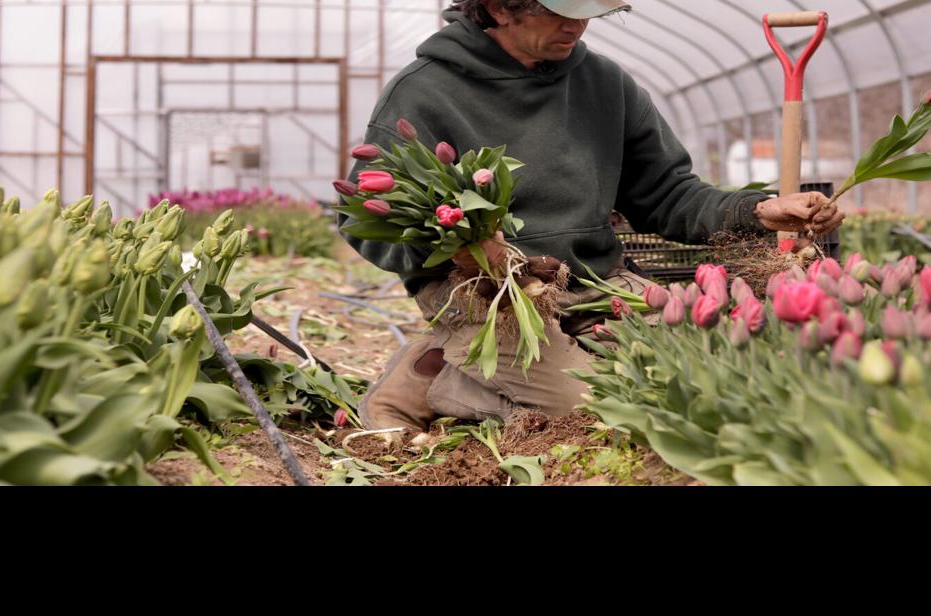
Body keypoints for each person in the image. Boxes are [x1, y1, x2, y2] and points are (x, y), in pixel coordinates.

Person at [347, 0, 843, 432]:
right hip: (490, 294)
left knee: (691, 376)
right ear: (500, 7)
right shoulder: (424, 93)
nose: (577, 26)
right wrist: (462, 248)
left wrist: (757, 209)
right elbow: (369, 225)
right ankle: (434, 377)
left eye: (587, 12)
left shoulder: (605, 83)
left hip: (595, 282)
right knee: (594, 406)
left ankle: (485, 364)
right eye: (561, 12)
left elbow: (667, 193)